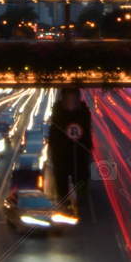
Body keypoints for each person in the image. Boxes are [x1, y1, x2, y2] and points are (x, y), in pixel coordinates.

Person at [47, 86, 94, 215]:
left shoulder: (84, 113)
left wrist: (86, 148)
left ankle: (80, 202)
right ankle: (65, 203)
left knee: (81, 177)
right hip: (61, 154)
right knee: (61, 177)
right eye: (68, 99)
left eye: (73, 99)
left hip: (79, 154)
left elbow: (87, 135)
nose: (71, 102)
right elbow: (54, 136)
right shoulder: (58, 114)